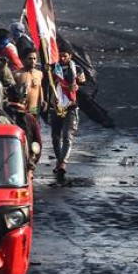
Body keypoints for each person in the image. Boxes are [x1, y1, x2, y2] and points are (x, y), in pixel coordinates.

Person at [49, 45, 86, 183]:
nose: (62, 58)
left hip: (71, 106)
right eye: (60, 55)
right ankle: (59, 160)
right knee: (55, 136)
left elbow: (83, 82)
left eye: (65, 56)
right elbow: (46, 82)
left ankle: (62, 163)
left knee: (67, 136)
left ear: (70, 56)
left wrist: (78, 84)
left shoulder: (77, 68)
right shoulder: (52, 68)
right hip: (56, 105)